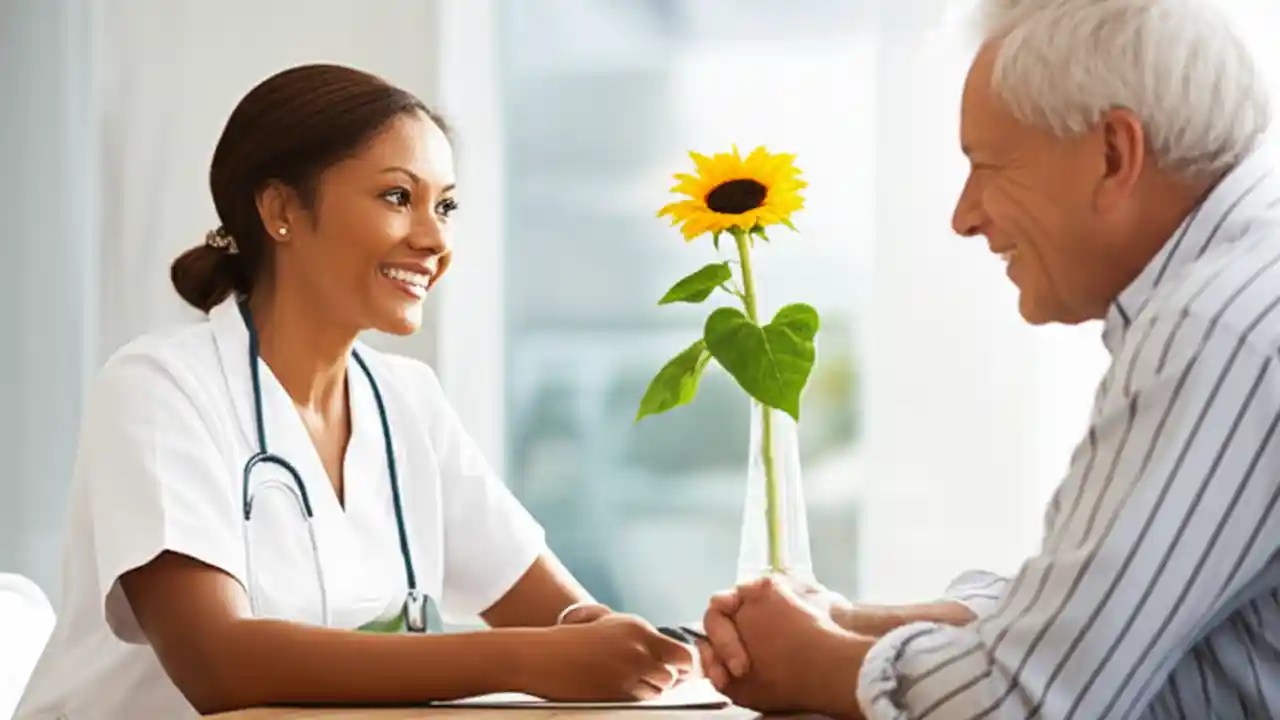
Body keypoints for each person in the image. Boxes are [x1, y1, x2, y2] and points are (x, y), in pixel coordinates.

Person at [15, 64, 692, 720]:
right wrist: (528, 661)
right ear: (281, 208)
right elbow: (219, 664)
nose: (433, 239)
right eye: (398, 197)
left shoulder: (408, 401)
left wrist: (615, 641)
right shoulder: (160, 388)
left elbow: (554, 612)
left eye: (446, 206)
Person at [698, 0, 1280, 717]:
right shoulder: (1244, 285)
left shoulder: (1214, 328)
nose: (964, 215)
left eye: (988, 166)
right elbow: (1126, 622)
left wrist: (813, 664)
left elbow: (1024, 700)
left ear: (1113, 155)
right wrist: (851, 625)